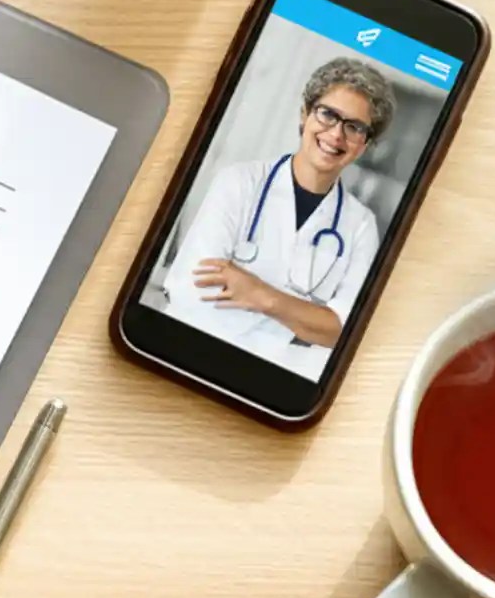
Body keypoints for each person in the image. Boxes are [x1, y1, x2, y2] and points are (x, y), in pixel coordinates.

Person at [162, 57, 395, 377]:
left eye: (354, 127)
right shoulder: (239, 182)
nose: (336, 135)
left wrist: (259, 294)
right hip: (186, 351)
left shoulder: (361, 226)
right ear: (305, 114)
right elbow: (194, 288)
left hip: (274, 377)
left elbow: (341, 331)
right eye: (328, 114)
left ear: (364, 145)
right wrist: (304, 319)